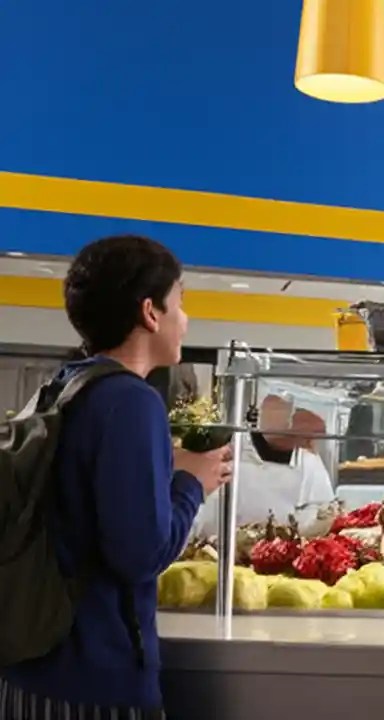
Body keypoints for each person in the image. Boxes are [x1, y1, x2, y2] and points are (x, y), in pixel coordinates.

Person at [0, 235, 231, 718]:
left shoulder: (65, 386)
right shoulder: (132, 400)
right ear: (150, 313)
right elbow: (140, 554)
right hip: (94, 682)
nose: (185, 319)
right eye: (180, 302)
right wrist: (193, 483)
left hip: (30, 672)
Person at [190, 394, 334, 538]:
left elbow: (324, 519)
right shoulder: (227, 455)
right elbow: (197, 525)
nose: (313, 440)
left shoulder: (310, 462)